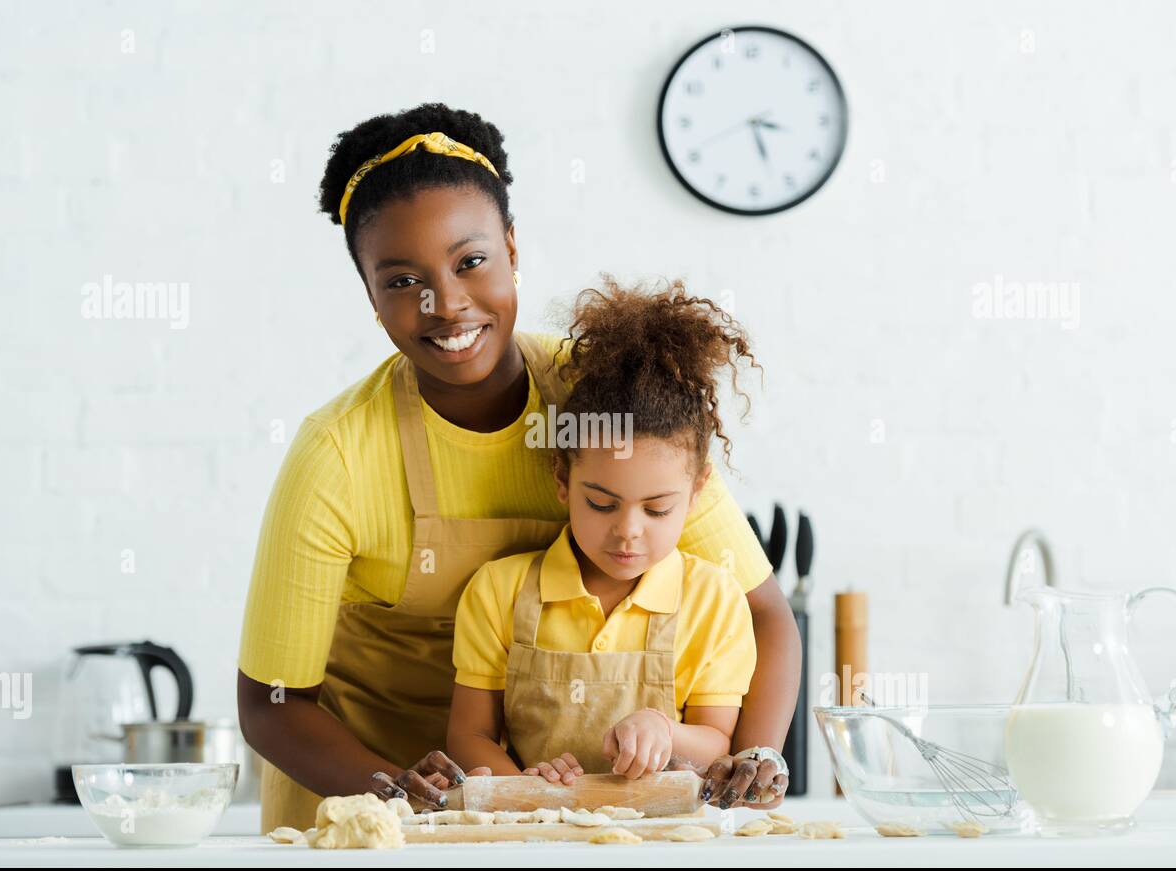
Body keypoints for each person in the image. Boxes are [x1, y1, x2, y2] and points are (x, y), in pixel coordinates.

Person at [237, 103, 800, 833]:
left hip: (558, 812)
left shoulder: (603, 400)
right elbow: (271, 704)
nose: (446, 304)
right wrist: (398, 789)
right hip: (368, 810)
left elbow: (765, 614)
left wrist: (751, 757)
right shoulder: (337, 455)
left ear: (510, 246)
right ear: (370, 297)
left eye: (470, 261)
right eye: (402, 281)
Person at [448, 279, 763, 789]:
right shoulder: (498, 591)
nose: (628, 534)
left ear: (698, 489)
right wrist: (528, 787)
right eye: (601, 503)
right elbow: (468, 737)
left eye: (658, 509)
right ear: (562, 479)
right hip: (538, 837)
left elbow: (716, 741)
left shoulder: (714, 599)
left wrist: (663, 730)